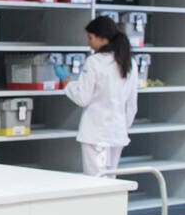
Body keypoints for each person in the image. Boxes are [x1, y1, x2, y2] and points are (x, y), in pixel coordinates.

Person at [58, 15, 139, 176]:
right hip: (117, 134)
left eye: (90, 38)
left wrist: (67, 82)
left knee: (95, 182)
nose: (89, 43)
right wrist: (122, 128)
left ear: (103, 39)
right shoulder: (130, 63)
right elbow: (132, 106)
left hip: (96, 135)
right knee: (110, 181)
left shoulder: (95, 62)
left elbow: (82, 98)